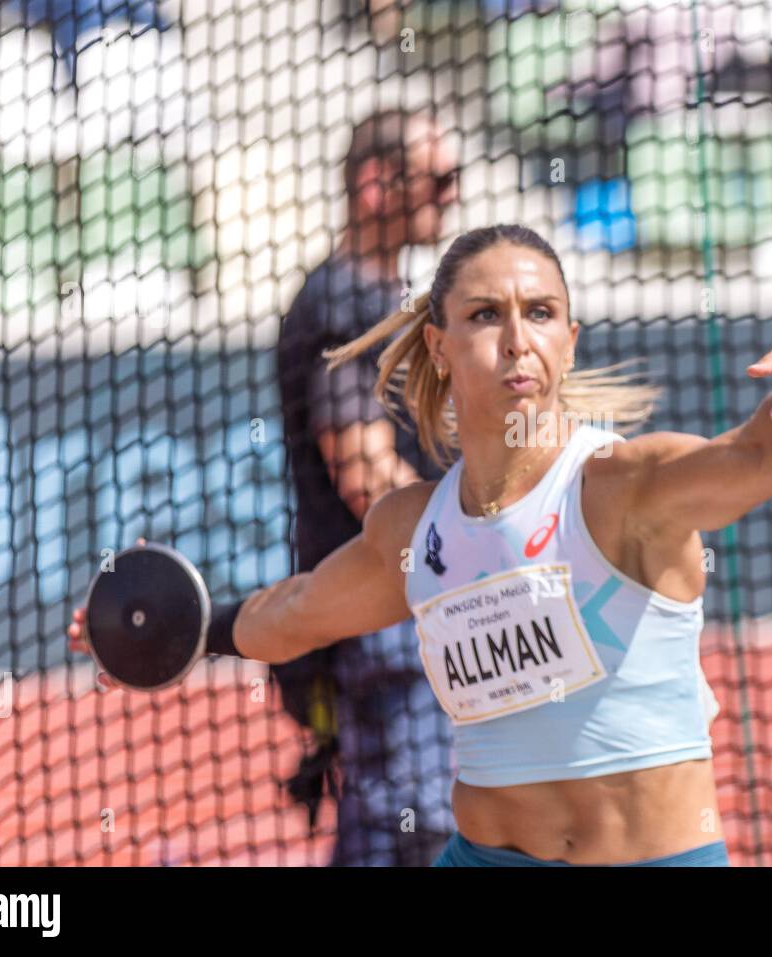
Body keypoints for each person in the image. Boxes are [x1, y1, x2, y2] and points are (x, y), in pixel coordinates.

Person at [70, 222, 772, 866]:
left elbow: (761, 456)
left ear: (570, 341)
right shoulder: (416, 527)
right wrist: (182, 633)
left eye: (540, 312)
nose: (518, 338)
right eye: (486, 314)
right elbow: (302, 608)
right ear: (441, 348)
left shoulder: (624, 486)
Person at [272, 108, 460, 865]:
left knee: (403, 817)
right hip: (387, 613)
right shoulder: (340, 308)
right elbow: (363, 474)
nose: (450, 196)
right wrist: (474, 542)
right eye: (438, 178)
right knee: (412, 820)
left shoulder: (379, 300)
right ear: (377, 185)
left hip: (396, 605)